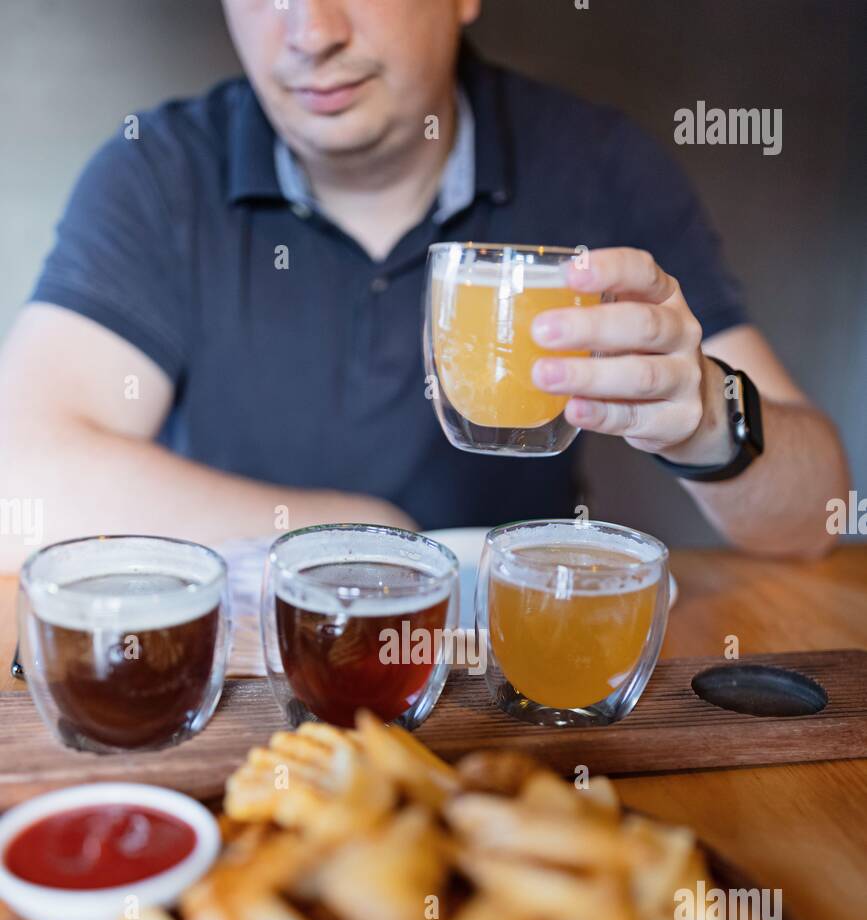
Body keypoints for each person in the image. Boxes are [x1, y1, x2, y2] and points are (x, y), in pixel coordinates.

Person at [0, 0, 848, 572]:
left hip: (503, 687)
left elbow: (819, 514)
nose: (308, 32)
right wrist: (364, 538)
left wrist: (705, 418)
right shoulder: (160, 170)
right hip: (249, 677)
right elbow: (17, 481)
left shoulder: (594, 164)